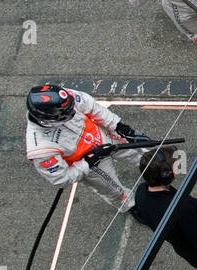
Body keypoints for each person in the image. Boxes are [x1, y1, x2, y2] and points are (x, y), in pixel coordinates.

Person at [25, 84, 146, 213]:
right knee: (114, 190)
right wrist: (87, 163)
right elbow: (62, 179)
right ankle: (131, 207)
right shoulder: (40, 149)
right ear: (47, 121)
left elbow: (91, 106)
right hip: (92, 164)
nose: (73, 111)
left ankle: (156, 168)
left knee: (141, 154)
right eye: (67, 114)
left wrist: (117, 125)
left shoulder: (64, 98)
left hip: (104, 135)